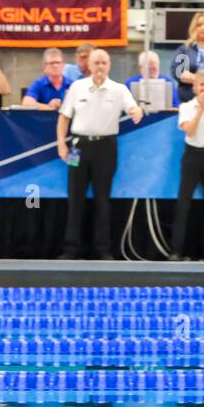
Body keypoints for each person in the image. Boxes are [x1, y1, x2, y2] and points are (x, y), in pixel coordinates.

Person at [56, 49, 143, 261]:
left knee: (103, 200)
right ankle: (71, 248)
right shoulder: (77, 87)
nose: (100, 67)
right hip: (79, 146)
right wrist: (61, 145)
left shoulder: (119, 89)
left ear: (109, 65)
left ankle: (103, 249)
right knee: (75, 199)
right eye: (96, 62)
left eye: (104, 62)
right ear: (89, 65)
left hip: (106, 148)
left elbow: (134, 107)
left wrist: (136, 112)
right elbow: (64, 118)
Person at [169, 70, 204, 262]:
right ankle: (176, 250)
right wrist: (201, 110)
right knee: (183, 203)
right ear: (195, 88)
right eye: (201, 85)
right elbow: (190, 132)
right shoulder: (186, 107)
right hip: (193, 155)